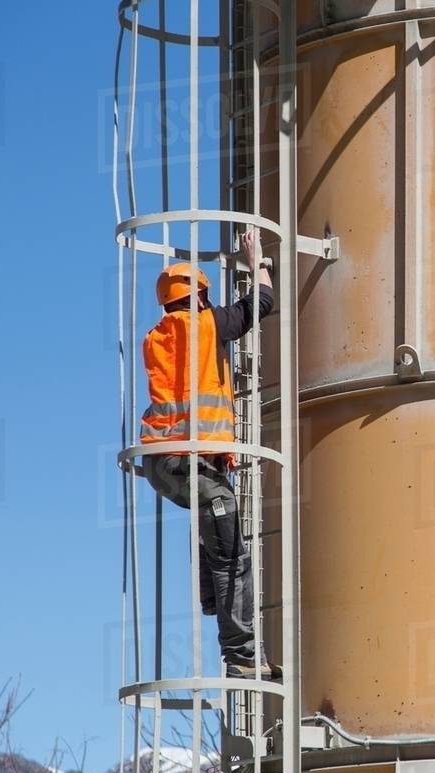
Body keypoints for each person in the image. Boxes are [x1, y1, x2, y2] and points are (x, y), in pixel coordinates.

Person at [140, 228, 279, 680]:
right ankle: (241, 655)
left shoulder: (158, 335)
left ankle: (210, 599)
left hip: (164, 463)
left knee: (214, 526)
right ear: (200, 296)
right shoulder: (204, 325)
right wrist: (259, 262)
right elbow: (259, 305)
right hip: (190, 458)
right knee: (234, 555)